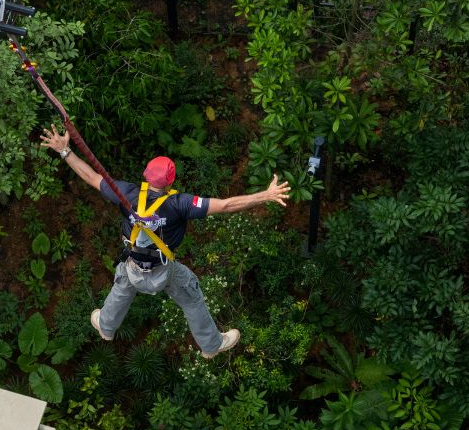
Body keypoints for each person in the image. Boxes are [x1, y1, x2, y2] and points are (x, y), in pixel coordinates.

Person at [40, 127, 291, 357]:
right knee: (191, 296)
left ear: (145, 176)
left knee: (124, 281)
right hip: (163, 272)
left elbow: (91, 177)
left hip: (134, 267)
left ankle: (106, 326)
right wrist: (266, 196)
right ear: (170, 182)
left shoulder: (126, 194)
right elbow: (226, 205)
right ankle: (212, 345)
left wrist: (64, 150)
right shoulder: (180, 204)